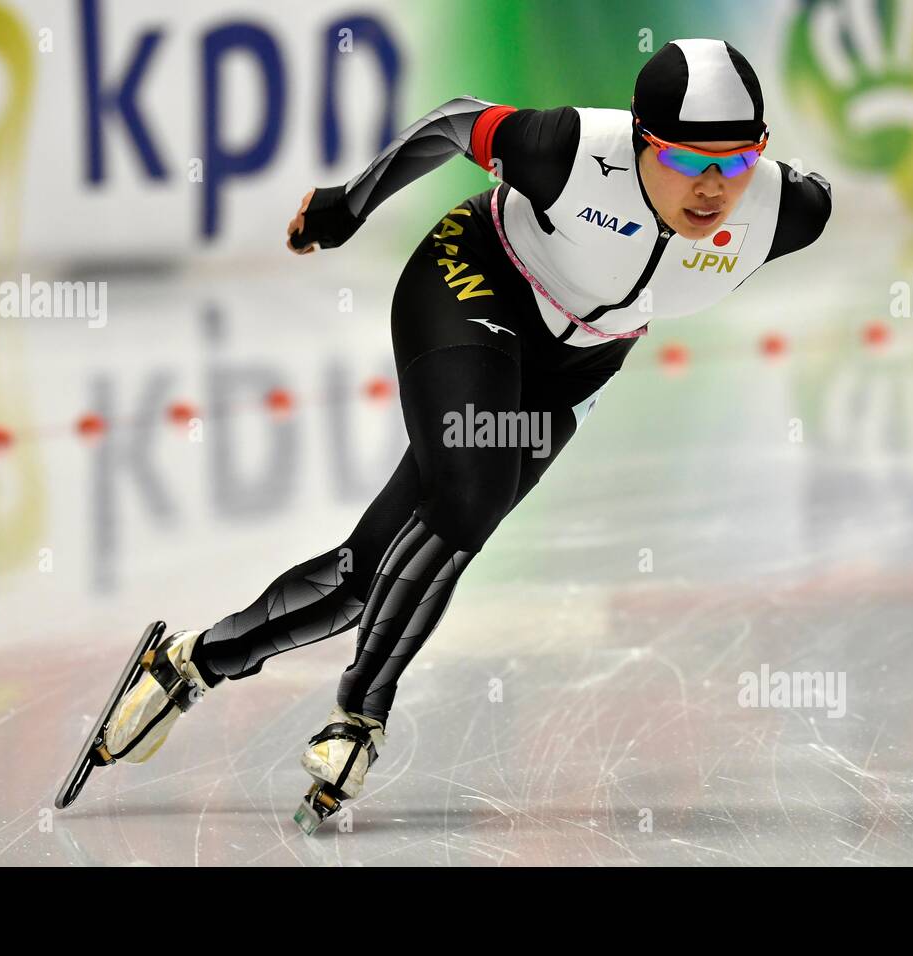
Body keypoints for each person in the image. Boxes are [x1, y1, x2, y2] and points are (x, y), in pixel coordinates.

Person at [76, 38, 832, 827]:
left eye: (735, 163)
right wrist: (350, 202)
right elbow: (449, 123)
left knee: (364, 577)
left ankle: (190, 663)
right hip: (476, 278)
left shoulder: (786, 211)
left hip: (574, 369)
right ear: (642, 140)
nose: (712, 190)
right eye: (686, 162)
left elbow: (804, 195)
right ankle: (359, 716)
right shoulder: (570, 151)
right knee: (471, 494)